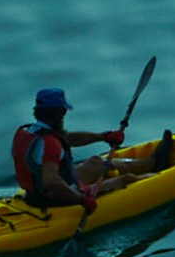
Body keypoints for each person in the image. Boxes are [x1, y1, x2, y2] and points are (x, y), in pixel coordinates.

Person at [11, 85, 124, 213]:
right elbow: (51, 182)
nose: (64, 115)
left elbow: (68, 139)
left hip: (33, 196)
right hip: (58, 200)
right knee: (127, 179)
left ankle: (151, 161)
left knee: (95, 162)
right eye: (63, 111)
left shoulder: (28, 132)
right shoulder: (50, 143)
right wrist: (81, 199)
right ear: (59, 113)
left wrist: (104, 136)